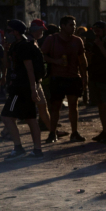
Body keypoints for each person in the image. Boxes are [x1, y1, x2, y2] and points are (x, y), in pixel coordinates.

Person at [1, 20, 45, 159]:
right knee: (30, 118)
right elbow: (7, 65)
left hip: (21, 88)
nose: (7, 34)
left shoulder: (24, 46)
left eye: (9, 31)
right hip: (20, 86)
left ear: (16, 32)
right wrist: (5, 50)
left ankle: (19, 148)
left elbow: (29, 69)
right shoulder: (15, 45)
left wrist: (33, 89)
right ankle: (37, 150)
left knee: (7, 116)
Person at [40, 15, 87, 143]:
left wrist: (85, 77)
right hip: (57, 78)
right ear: (63, 26)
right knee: (55, 107)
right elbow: (42, 55)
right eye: (71, 25)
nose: (74, 27)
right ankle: (52, 133)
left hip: (73, 77)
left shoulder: (77, 41)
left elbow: (82, 60)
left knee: (73, 106)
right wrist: (55, 61)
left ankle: (74, 132)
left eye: (74, 25)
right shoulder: (52, 39)